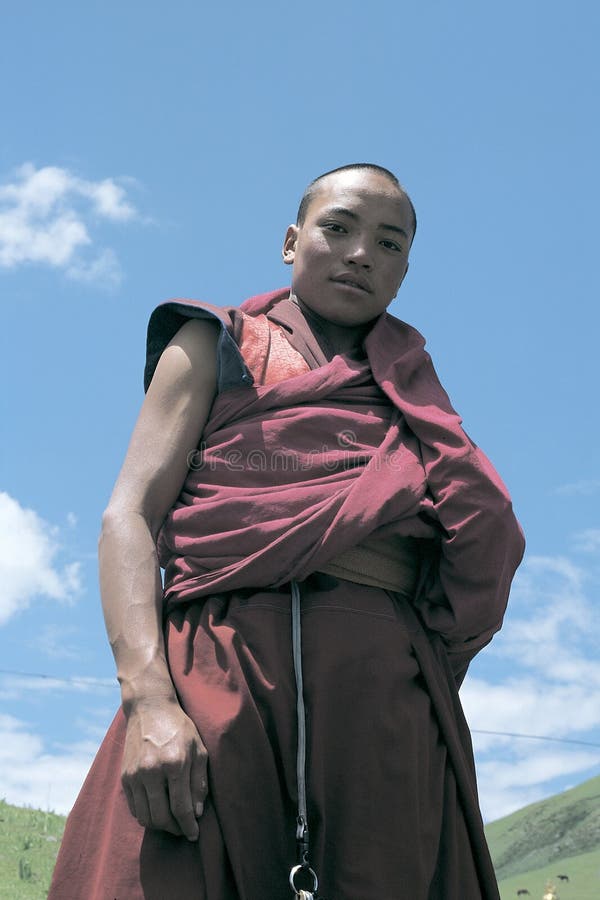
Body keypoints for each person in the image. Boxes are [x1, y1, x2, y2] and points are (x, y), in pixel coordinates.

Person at [49, 163, 525, 900]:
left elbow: (481, 539)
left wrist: (414, 671)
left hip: (382, 708)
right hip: (216, 681)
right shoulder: (216, 343)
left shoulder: (416, 396)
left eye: (389, 243)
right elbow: (129, 518)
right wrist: (148, 701)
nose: (360, 252)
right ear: (290, 240)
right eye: (338, 228)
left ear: (403, 273)